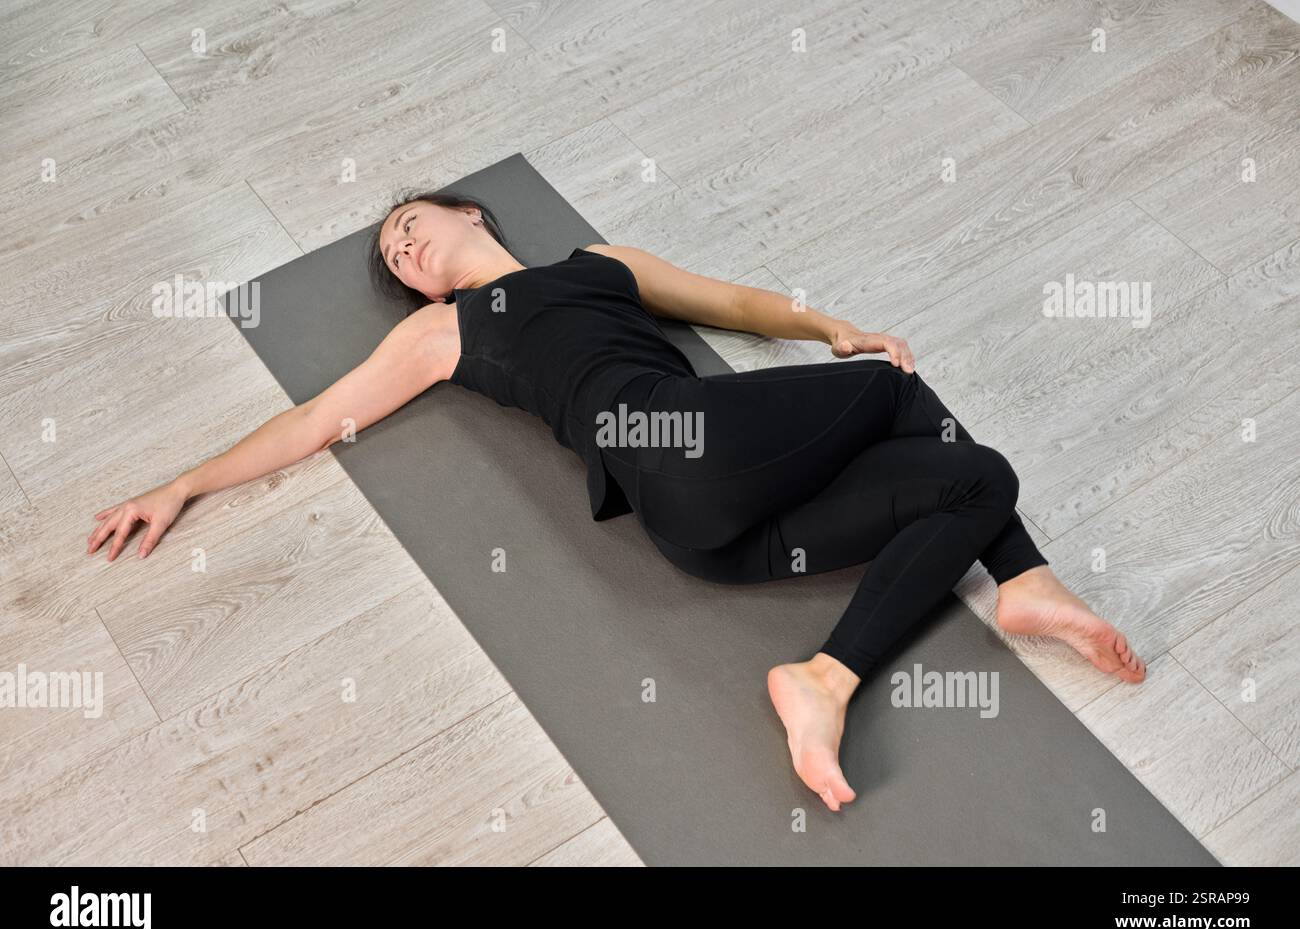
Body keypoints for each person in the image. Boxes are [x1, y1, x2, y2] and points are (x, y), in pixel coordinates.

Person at [88, 191, 1146, 812]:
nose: (403, 248)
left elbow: (724, 299)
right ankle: (1027, 577)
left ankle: (825, 677)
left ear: (469, 211)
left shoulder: (597, 265)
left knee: (981, 472)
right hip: (674, 456)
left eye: (409, 223)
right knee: (898, 390)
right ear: (417, 295)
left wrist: (824, 323)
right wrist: (179, 483)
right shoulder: (442, 331)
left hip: (706, 533)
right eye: (395, 259)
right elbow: (317, 417)